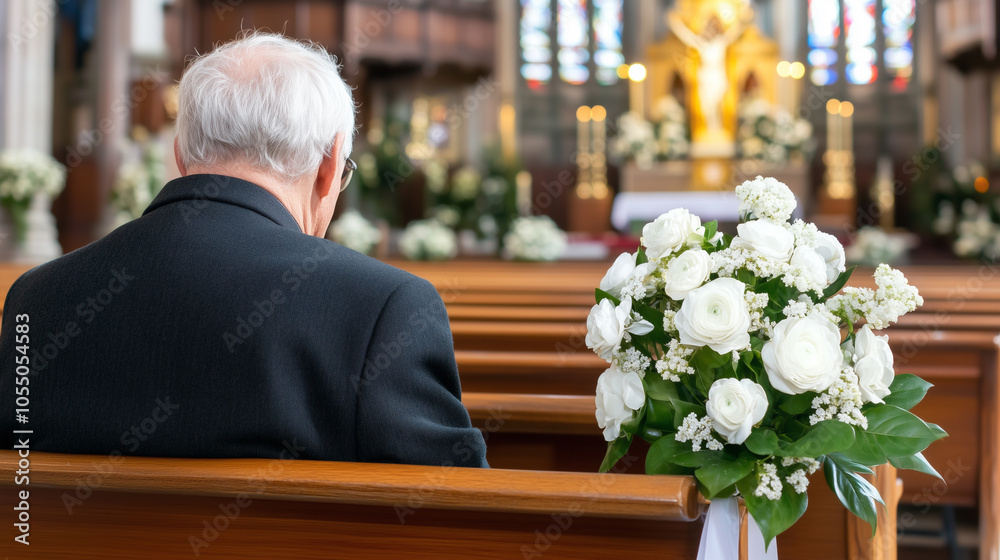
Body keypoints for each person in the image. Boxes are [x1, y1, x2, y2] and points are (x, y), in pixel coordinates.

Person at [0, 32, 488, 468]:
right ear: (329, 164)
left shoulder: (36, 298)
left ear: (180, 154)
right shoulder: (383, 309)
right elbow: (458, 522)